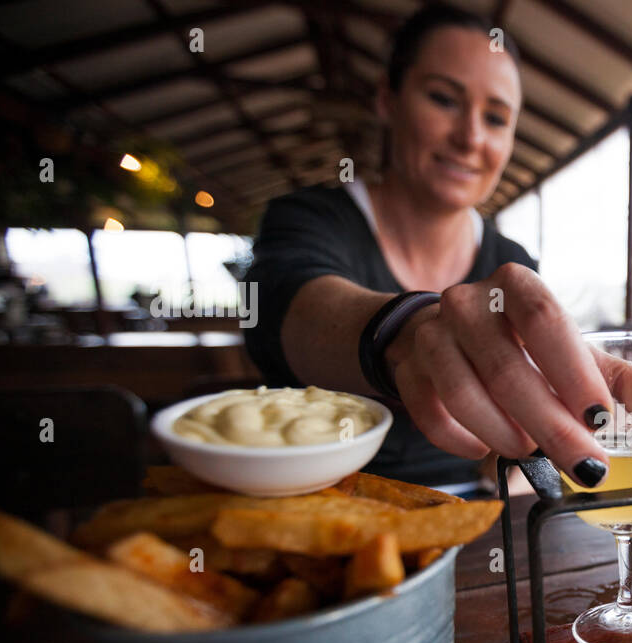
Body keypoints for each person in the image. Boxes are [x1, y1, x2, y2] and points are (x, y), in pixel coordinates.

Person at [244, 3, 611, 490]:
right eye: (443, 98)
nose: (470, 137)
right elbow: (287, 310)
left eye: (497, 118)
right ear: (387, 99)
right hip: (317, 501)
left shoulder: (512, 263)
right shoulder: (311, 218)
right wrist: (406, 330)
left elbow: (523, 438)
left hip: (472, 513)